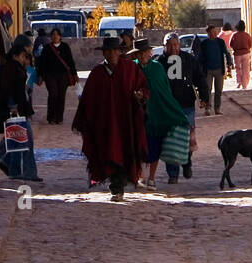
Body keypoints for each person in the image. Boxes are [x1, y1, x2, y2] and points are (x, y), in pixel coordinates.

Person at [72, 36, 148, 201]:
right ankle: (116, 185)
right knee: (109, 152)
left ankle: (119, 184)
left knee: (125, 151)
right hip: (104, 124)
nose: (112, 54)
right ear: (104, 53)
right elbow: (87, 100)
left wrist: (140, 95)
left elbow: (143, 86)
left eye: (115, 50)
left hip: (126, 122)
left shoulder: (130, 69)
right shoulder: (97, 73)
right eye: (108, 51)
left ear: (120, 52)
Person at [0, 35, 42, 182]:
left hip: (15, 110)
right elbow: (11, 91)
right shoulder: (12, 69)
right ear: (17, 55)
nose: (26, 59)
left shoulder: (16, 68)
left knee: (10, 141)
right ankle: (28, 173)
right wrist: (15, 108)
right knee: (25, 141)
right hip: (14, 110)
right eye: (24, 56)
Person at [135, 39, 190, 188]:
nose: (142, 56)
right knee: (138, 146)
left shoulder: (157, 68)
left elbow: (164, 91)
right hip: (138, 116)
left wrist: (173, 110)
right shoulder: (132, 68)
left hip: (157, 115)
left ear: (149, 53)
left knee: (155, 146)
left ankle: (151, 178)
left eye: (144, 53)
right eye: (139, 53)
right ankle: (140, 176)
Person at [160, 32, 201, 183]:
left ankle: (187, 162)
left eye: (176, 44)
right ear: (164, 46)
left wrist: (204, 96)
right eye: (170, 45)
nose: (173, 48)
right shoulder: (159, 62)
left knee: (187, 139)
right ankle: (172, 173)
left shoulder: (189, 60)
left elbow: (199, 78)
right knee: (170, 141)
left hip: (186, 105)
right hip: (167, 108)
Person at [38, 27, 79, 125]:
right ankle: (51, 117)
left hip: (63, 76)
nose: (55, 36)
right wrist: (40, 76)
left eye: (57, 34)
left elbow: (70, 62)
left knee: (61, 96)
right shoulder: (47, 48)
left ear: (60, 36)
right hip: (50, 76)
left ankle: (59, 117)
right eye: (53, 34)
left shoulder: (65, 47)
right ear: (51, 37)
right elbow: (42, 63)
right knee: (53, 95)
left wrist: (74, 74)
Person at [197, 24, 233, 116]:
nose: (215, 33)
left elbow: (226, 52)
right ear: (208, 33)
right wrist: (197, 68)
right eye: (212, 32)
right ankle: (207, 108)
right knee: (207, 89)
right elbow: (200, 57)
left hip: (219, 69)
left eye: (215, 32)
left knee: (218, 90)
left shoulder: (220, 42)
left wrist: (229, 63)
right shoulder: (204, 44)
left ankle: (217, 108)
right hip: (208, 70)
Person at [229, 20, 252, 89]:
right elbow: (250, 44)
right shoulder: (247, 35)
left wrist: (235, 47)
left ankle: (239, 82)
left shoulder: (234, 35)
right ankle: (245, 84)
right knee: (246, 68)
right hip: (246, 53)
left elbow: (231, 44)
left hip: (237, 53)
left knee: (238, 68)